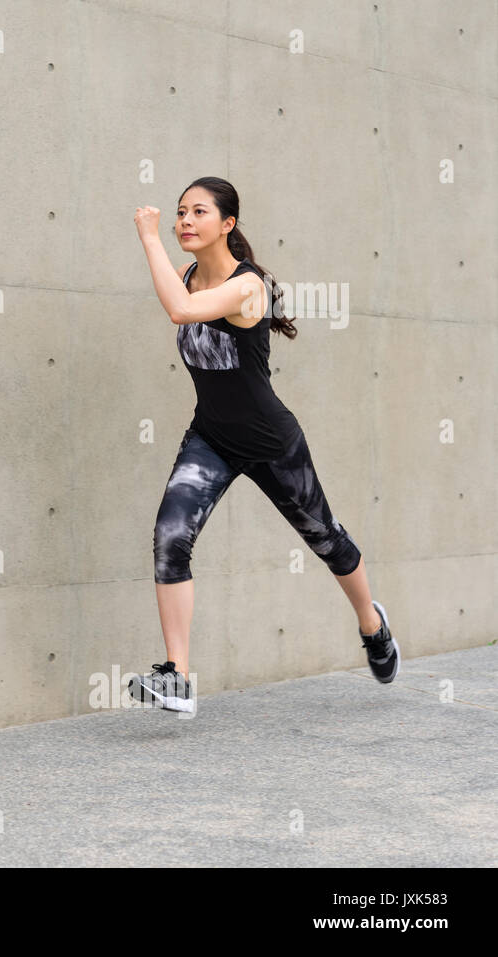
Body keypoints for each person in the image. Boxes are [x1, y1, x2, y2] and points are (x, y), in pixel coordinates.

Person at [127, 176, 400, 713]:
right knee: (170, 535)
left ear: (227, 224)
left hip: (271, 442)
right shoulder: (187, 275)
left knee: (326, 540)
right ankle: (177, 676)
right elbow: (182, 300)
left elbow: (181, 311)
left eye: (197, 212)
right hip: (210, 437)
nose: (184, 220)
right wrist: (162, 249)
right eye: (180, 212)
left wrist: (149, 237)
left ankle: (372, 624)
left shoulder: (248, 286)